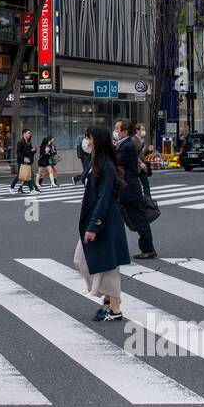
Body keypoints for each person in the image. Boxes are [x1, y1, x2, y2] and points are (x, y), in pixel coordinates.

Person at [77, 126, 130, 322]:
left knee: (108, 265)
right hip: (98, 220)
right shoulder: (97, 162)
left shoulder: (105, 164)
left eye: (88, 137)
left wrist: (94, 225)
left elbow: (104, 198)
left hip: (105, 221)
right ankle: (109, 300)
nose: (86, 141)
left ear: (96, 140)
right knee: (83, 260)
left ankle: (114, 309)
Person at [115, 119, 157, 259]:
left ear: (125, 131)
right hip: (126, 189)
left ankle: (148, 249)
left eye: (117, 129)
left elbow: (117, 161)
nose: (115, 132)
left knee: (139, 220)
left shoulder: (127, 145)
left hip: (129, 189)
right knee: (128, 219)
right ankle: (143, 248)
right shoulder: (124, 144)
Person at [10, 129, 36, 194]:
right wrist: (24, 158)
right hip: (22, 161)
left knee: (28, 175)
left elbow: (30, 152)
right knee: (19, 176)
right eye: (28, 133)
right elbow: (18, 152)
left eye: (29, 133)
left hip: (28, 161)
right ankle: (11, 188)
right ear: (24, 134)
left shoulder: (28, 142)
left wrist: (33, 150)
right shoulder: (20, 142)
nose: (29, 134)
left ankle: (31, 190)